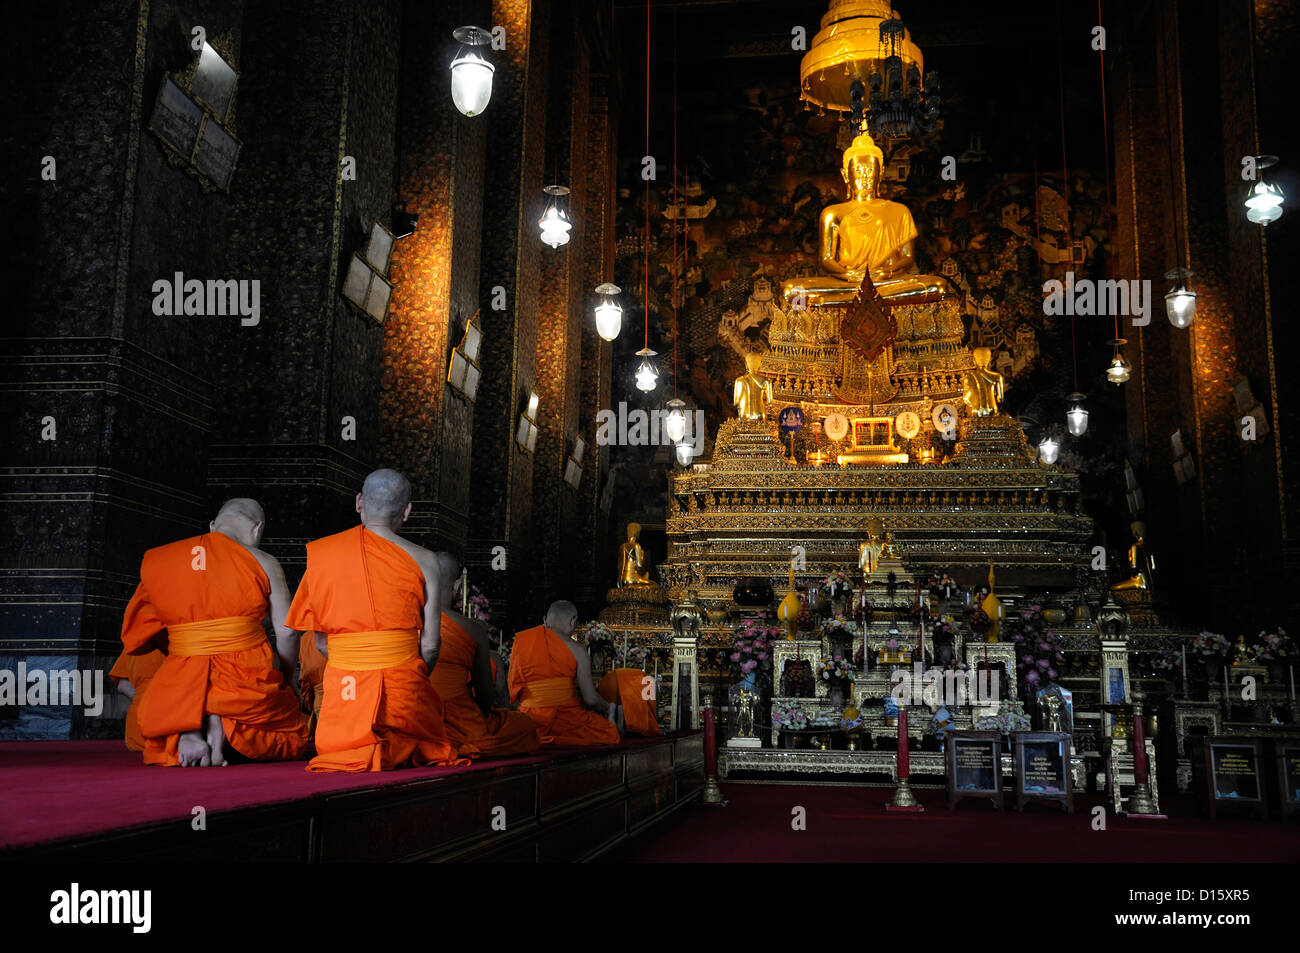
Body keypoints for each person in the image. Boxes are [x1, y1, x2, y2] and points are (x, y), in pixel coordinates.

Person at [285, 469, 466, 772]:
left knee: (340, 747)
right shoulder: (425, 560)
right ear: (407, 511)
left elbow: (320, 642)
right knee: (417, 741)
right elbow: (431, 646)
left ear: (359, 503)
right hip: (405, 691)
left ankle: (356, 743)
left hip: (344, 690)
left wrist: (357, 665)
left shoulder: (324, 554)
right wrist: (409, 677)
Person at [121, 498, 311, 766]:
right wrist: (288, 678)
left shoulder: (162, 559)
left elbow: (143, 628)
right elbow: (288, 633)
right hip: (244, 674)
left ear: (212, 526)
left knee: (170, 701)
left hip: (183, 671)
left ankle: (190, 729)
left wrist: (191, 645)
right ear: (257, 528)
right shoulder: (263, 561)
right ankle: (219, 723)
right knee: (292, 729)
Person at [428, 553, 540, 757]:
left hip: (416, 720)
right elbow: (486, 699)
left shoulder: (407, 620)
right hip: (461, 724)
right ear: (458, 588)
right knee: (525, 725)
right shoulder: (473, 630)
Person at [509, 601, 620, 746]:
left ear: (545, 620)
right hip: (567, 721)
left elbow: (513, 688)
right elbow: (591, 699)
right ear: (573, 621)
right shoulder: (578, 650)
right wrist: (609, 707)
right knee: (606, 731)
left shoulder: (522, 642)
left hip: (530, 721)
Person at [107, 646, 165, 752]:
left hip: (136, 733)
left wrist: (146, 701)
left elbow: (122, 685)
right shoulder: (180, 640)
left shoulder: (135, 642)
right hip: (168, 728)